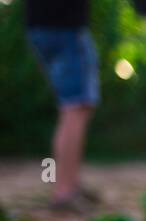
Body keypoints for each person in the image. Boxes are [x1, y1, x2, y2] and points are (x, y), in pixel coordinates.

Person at [25, 0, 101, 210]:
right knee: (76, 107)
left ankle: (69, 184)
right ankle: (65, 191)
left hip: (41, 26)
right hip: (64, 27)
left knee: (73, 106)